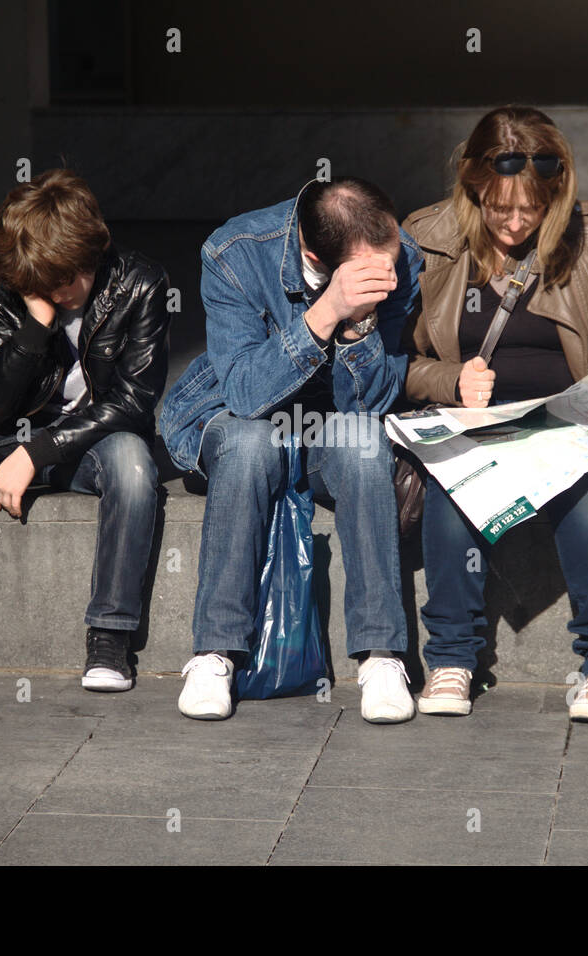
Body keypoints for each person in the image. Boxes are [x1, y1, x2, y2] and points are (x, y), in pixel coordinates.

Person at [401, 106, 588, 722]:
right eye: (501, 209)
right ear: (473, 184)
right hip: (471, 422)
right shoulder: (427, 237)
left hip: (562, 421)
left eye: (533, 208)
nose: (517, 223)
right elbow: (389, 363)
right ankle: (451, 658)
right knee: (454, 490)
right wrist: (450, 378)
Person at [159, 177, 422, 722]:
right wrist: (326, 313)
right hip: (238, 413)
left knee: (365, 443)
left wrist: (359, 325)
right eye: (370, 273)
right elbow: (245, 394)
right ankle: (215, 653)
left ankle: (381, 656)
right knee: (251, 445)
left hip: (333, 420)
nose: (388, 277)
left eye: (390, 263)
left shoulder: (401, 259)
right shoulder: (235, 252)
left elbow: (371, 401)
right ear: (312, 255)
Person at [0, 169, 169, 693]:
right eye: (40, 285)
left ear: (93, 253)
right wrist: (35, 326)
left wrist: (35, 453)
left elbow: (134, 403)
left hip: (93, 440)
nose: (56, 292)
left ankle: (110, 636)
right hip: (17, 429)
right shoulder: (17, 287)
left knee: (135, 466)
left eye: (66, 280)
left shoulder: (141, 283)